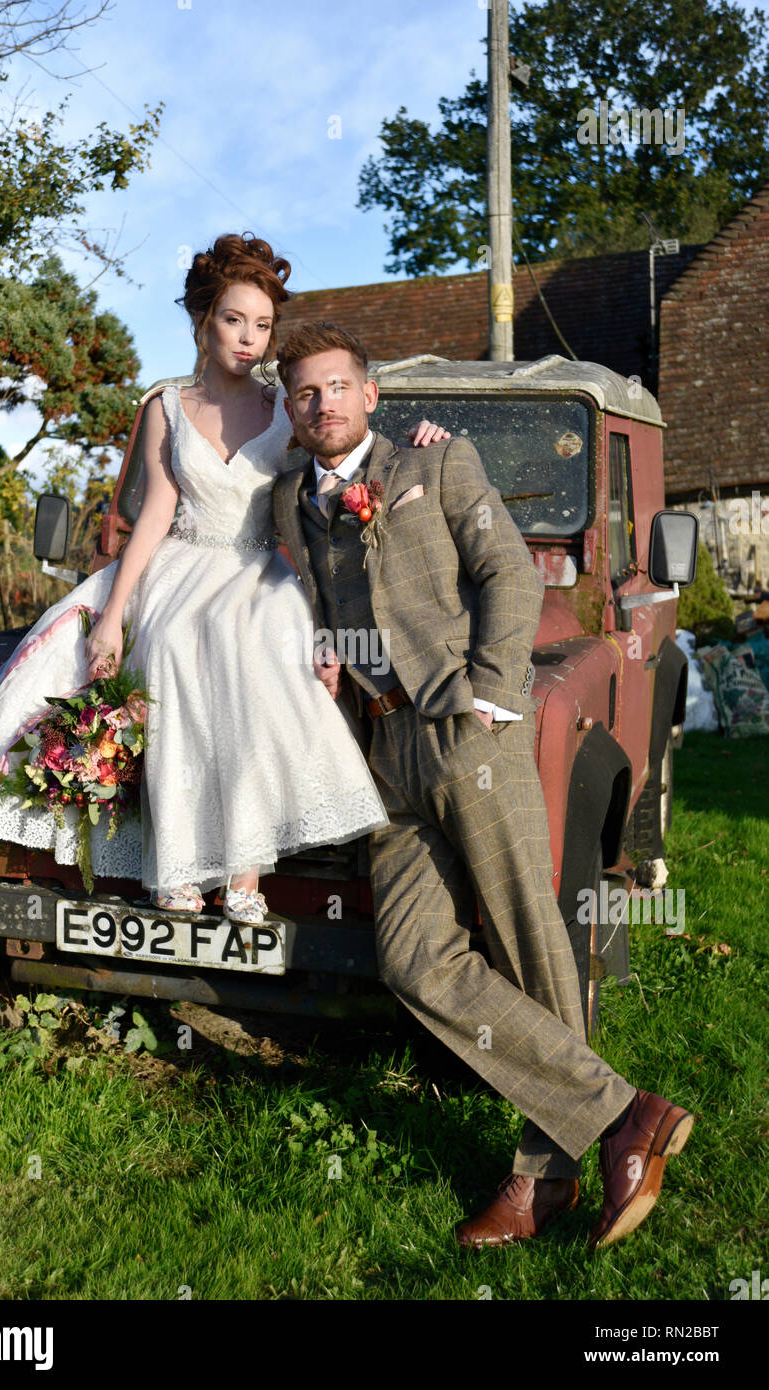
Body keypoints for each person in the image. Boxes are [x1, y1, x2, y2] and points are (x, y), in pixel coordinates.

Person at [271, 319, 695, 1250]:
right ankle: (623, 1113)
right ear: (290, 410)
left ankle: (541, 1182)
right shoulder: (282, 503)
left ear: (370, 395)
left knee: (528, 944)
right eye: (303, 392)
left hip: (466, 735)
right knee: (414, 959)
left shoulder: (438, 464)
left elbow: (505, 567)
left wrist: (497, 693)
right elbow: (299, 598)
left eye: (338, 386)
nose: (323, 404)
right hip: (379, 755)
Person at [0, 234, 449, 925]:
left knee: (264, 650)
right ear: (201, 322)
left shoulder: (285, 403)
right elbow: (154, 512)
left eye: (263, 326)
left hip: (261, 566)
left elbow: (350, 449)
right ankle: (176, 869)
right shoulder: (165, 403)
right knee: (177, 647)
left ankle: (244, 877)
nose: (249, 339)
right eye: (234, 320)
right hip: (180, 565)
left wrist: (421, 443)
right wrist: (114, 615)